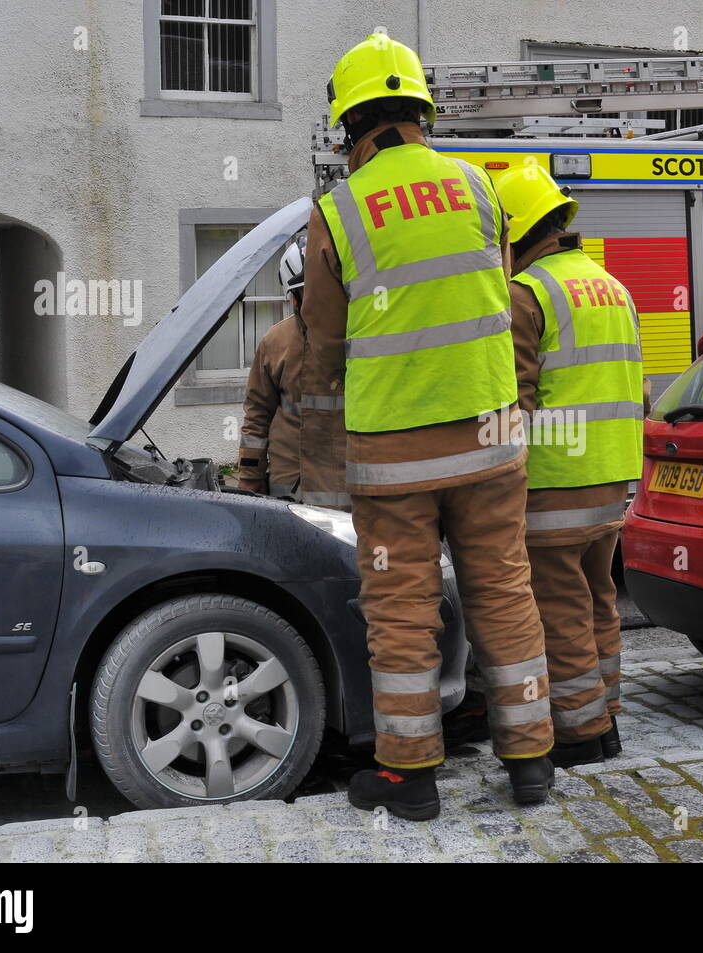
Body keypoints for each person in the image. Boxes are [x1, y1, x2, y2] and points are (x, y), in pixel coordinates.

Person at [301, 32, 555, 820]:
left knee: (404, 609)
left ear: (353, 131)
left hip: (394, 459)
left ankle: (409, 777)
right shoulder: (481, 189)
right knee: (505, 592)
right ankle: (531, 761)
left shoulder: (339, 211)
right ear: (419, 114)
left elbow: (323, 346)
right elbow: (498, 300)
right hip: (489, 440)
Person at [494, 163, 645, 767]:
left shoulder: (527, 295)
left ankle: (581, 737)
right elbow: (636, 389)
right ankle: (606, 717)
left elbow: (517, 402)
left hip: (555, 484)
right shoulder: (614, 287)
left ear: (521, 230)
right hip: (611, 482)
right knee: (598, 598)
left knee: (559, 609)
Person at [236, 237, 349, 509]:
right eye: (307, 294)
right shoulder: (276, 343)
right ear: (293, 297)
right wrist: (250, 475)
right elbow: (257, 415)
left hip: (355, 491)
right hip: (294, 491)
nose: (316, 304)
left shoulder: (365, 336)